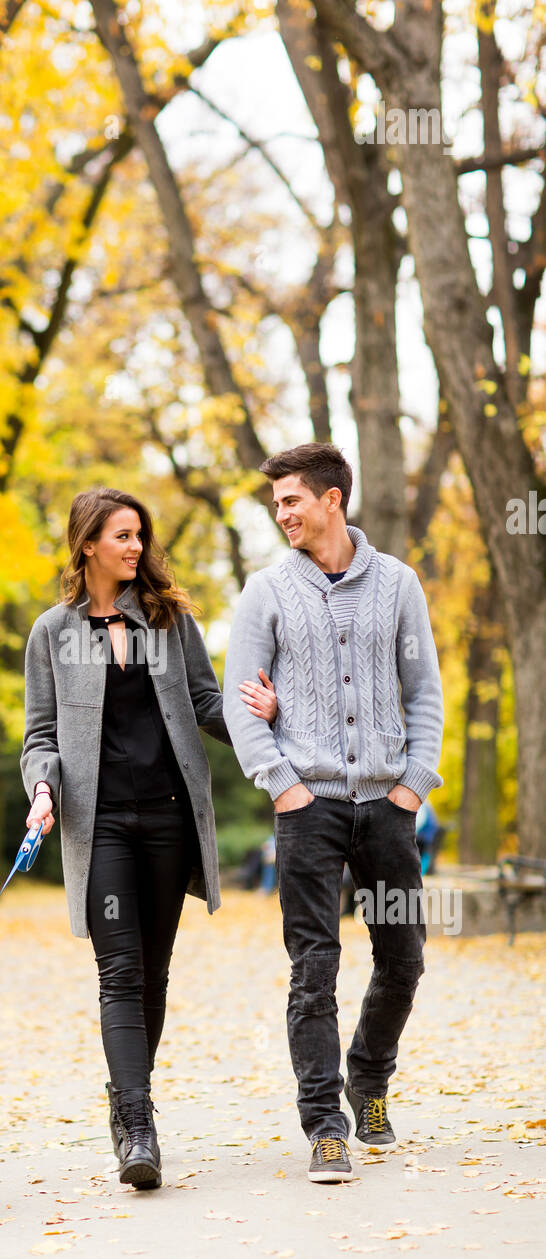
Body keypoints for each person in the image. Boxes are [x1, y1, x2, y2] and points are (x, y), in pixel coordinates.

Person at [20, 487, 268, 1190]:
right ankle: (137, 1123)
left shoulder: (169, 619)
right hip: (97, 824)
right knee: (119, 972)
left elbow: (206, 702)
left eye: (139, 536)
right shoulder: (52, 633)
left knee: (153, 975)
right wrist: (42, 788)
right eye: (121, 536)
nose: (135, 547)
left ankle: (126, 1101)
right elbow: (40, 736)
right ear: (88, 544)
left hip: (167, 818)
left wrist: (263, 725)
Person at [223, 443, 444, 1183]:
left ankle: (369, 1081)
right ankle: (324, 1125)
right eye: (277, 502)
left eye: (292, 500)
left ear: (332, 500)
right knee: (313, 969)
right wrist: (282, 783)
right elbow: (239, 704)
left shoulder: (398, 584)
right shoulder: (266, 592)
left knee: (404, 960)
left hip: (387, 806)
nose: (282, 513)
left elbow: (425, 691)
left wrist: (412, 784)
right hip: (306, 809)